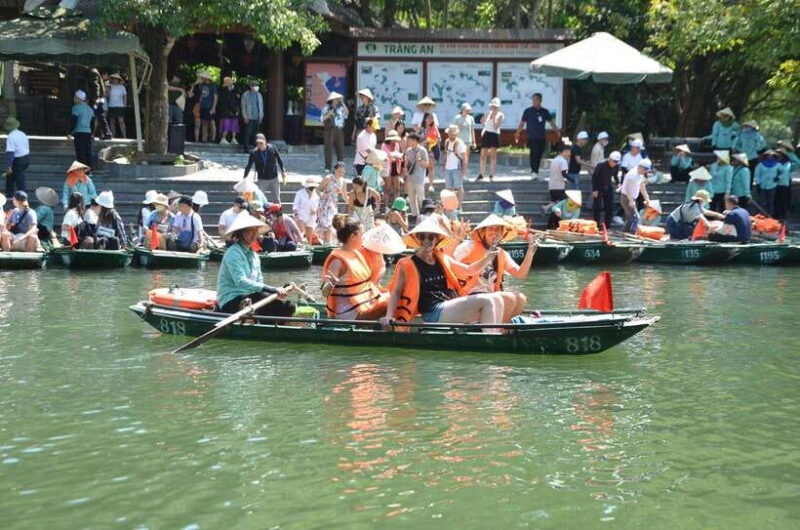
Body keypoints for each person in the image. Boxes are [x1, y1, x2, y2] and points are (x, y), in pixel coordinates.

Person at [381, 219, 508, 331]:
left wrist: (488, 258)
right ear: (417, 239)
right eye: (422, 237)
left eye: (431, 237)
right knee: (487, 300)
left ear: (437, 239)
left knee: (496, 298)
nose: (426, 241)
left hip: (448, 305)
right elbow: (396, 292)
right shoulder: (406, 264)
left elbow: (469, 270)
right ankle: (490, 339)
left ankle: (494, 334)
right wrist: (389, 316)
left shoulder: (441, 258)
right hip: (433, 313)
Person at [454, 214, 539, 321]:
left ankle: (506, 329)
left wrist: (530, 252)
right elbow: (450, 261)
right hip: (467, 295)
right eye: (490, 229)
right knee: (509, 298)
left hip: (491, 296)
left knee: (521, 298)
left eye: (497, 230)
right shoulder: (469, 246)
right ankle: (499, 329)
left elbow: (521, 273)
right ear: (483, 232)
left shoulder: (502, 253)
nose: (494, 232)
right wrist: (457, 239)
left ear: (502, 233)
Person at [216, 213, 295, 317]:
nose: (253, 234)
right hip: (231, 300)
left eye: (255, 231)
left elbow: (259, 282)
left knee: (289, 306)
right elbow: (240, 281)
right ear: (241, 233)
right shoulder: (233, 253)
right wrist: (272, 289)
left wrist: (274, 291)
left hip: (251, 297)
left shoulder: (254, 255)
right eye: (249, 231)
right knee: (266, 299)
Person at [320, 215, 390, 320]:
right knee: (395, 299)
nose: (364, 237)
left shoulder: (358, 253)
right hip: (349, 312)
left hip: (364, 303)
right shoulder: (338, 261)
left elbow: (375, 275)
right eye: (362, 234)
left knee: (395, 293)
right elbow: (324, 292)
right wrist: (330, 285)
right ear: (353, 237)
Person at [515, 93, 559, 180]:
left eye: (537, 99)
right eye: (533, 99)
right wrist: (517, 132)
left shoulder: (544, 111)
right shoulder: (528, 111)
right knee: (534, 153)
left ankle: (536, 171)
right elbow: (522, 123)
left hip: (542, 137)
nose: (535, 101)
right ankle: (533, 171)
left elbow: (551, 122)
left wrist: (556, 130)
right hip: (532, 136)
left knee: (539, 154)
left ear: (540, 100)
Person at [244, 133, 286, 204]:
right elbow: (249, 165)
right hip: (262, 179)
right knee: (258, 198)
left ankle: (277, 214)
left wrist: (282, 170)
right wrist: (245, 177)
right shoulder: (254, 152)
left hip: (274, 178)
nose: (259, 145)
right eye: (257, 143)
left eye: (261, 143)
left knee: (277, 199)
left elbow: (278, 158)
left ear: (265, 142)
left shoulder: (272, 148)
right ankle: (259, 213)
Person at [316, 163, 349, 244]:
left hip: (333, 204)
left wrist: (351, 203)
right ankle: (326, 242)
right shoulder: (328, 178)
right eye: (339, 171)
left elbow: (344, 195)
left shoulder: (343, 181)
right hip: (325, 203)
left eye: (342, 172)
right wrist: (321, 195)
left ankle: (327, 242)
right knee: (326, 223)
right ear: (335, 170)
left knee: (330, 223)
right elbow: (318, 189)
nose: (340, 173)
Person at [620, 159, 652, 233]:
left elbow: (641, 185)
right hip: (626, 198)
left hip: (632, 198)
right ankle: (630, 233)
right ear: (641, 167)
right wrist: (631, 201)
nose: (646, 172)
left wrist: (646, 198)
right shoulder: (632, 174)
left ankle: (625, 233)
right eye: (645, 170)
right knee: (635, 217)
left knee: (630, 217)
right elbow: (627, 188)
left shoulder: (640, 174)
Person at [404, 133, 429, 223]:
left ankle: (423, 215)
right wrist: (405, 174)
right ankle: (415, 215)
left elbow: (426, 164)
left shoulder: (422, 150)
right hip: (410, 177)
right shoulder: (408, 151)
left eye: (409, 140)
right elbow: (406, 164)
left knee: (421, 197)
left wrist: (419, 159)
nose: (408, 141)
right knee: (411, 198)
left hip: (419, 178)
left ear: (415, 140)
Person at [591, 150, 620, 229]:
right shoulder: (601, 165)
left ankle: (607, 226)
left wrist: (618, 183)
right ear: (609, 159)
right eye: (614, 161)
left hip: (608, 187)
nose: (615, 163)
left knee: (609, 208)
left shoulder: (616, 166)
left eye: (617, 161)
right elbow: (594, 177)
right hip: (598, 187)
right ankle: (596, 225)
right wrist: (594, 190)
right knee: (597, 207)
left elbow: (615, 175)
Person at [477, 98, 503, 182]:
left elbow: (496, 126)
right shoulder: (488, 113)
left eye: (495, 106)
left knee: (492, 155)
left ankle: (491, 174)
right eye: (492, 106)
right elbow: (481, 121)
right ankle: (481, 174)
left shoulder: (500, 115)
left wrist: (494, 117)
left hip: (494, 134)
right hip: (487, 133)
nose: (493, 108)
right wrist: (486, 118)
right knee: (483, 155)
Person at [321, 91, 348, 171]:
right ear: (332, 99)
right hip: (330, 129)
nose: (337, 100)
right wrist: (329, 114)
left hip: (339, 129)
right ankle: (327, 167)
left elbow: (347, 113)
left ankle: (340, 167)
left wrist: (342, 102)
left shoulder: (341, 108)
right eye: (336, 99)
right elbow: (322, 119)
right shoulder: (326, 108)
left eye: (338, 99)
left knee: (340, 148)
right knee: (328, 148)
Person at [4, 117, 29, 197]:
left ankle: (22, 197)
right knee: (11, 177)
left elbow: (11, 153)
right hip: (26, 158)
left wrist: (9, 166)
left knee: (19, 180)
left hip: (18, 160)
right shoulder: (22, 133)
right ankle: (9, 193)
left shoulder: (11, 137)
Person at [442, 124, 467, 205]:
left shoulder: (460, 142)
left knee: (459, 187)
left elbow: (464, 157)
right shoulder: (447, 142)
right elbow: (446, 155)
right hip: (448, 168)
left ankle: (459, 205)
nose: (451, 134)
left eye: (452, 133)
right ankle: (450, 205)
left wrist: (463, 169)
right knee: (448, 188)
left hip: (457, 168)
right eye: (450, 133)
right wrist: (443, 165)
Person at [70, 90, 94, 166]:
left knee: (80, 152)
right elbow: (92, 123)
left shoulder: (76, 108)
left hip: (79, 132)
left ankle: (82, 170)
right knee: (87, 151)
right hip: (88, 132)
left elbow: (74, 121)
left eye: (75, 97)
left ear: (78, 98)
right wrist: (92, 132)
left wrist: (70, 132)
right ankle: (89, 169)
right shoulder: (90, 109)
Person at [292, 176, 320, 241]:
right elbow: (295, 206)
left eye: (313, 187)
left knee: (309, 237)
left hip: (311, 218)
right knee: (300, 234)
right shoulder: (300, 193)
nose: (312, 188)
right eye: (310, 187)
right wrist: (296, 216)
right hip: (301, 216)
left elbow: (317, 206)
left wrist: (315, 210)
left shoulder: (316, 195)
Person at [754, 150, 781, 216]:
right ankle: (762, 216)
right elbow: (757, 175)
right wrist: (758, 183)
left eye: (771, 156)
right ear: (765, 157)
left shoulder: (777, 164)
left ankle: (770, 216)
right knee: (763, 202)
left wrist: (778, 177)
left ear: (774, 156)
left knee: (771, 202)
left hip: (772, 185)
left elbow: (784, 172)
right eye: (768, 155)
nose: (769, 157)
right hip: (762, 185)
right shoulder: (760, 165)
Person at [381, 130, 404, 206]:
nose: (395, 140)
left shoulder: (397, 145)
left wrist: (399, 157)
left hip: (396, 167)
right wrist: (393, 155)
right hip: (387, 168)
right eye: (393, 139)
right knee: (387, 188)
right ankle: (386, 206)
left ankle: (397, 206)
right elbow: (384, 156)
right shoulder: (384, 145)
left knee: (397, 189)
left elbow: (399, 155)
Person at [240, 81, 264, 152]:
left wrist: (261, 116)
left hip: (257, 116)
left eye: (257, 85)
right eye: (255, 85)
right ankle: (246, 148)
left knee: (256, 133)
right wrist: (244, 116)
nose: (257, 87)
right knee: (247, 133)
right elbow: (243, 106)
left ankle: (256, 148)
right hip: (248, 116)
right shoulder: (245, 95)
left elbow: (261, 106)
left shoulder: (259, 95)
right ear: (251, 86)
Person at [89, 68, 112, 139]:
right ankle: (107, 133)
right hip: (99, 98)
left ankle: (92, 134)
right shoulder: (95, 72)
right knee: (100, 115)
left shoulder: (93, 72)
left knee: (95, 116)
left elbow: (96, 85)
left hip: (97, 99)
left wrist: (96, 97)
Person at [453, 103, 477, 173]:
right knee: (458, 156)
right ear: (462, 110)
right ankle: (457, 171)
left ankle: (464, 172)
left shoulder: (471, 118)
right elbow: (452, 128)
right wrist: (459, 127)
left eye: (469, 110)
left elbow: (472, 130)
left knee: (466, 157)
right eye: (466, 110)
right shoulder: (457, 118)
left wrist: (474, 142)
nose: (468, 111)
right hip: (459, 140)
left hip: (468, 141)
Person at [195, 71, 218, 143]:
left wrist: (213, 107)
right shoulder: (201, 85)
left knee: (212, 122)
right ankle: (204, 139)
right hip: (203, 106)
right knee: (204, 122)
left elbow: (215, 96)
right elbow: (200, 95)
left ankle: (213, 138)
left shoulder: (213, 85)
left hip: (210, 106)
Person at [217, 77, 240, 145]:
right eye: (230, 84)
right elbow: (223, 103)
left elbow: (237, 101)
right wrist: (227, 111)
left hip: (234, 110)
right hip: (225, 111)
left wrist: (237, 110)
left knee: (234, 125)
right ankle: (223, 138)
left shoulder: (234, 91)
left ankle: (233, 138)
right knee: (226, 125)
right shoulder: (223, 92)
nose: (231, 85)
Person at [107, 73, 127, 138]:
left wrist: (124, 104)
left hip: (120, 106)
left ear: (118, 80)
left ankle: (124, 136)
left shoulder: (122, 87)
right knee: (112, 122)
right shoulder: (109, 86)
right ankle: (112, 136)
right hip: (111, 105)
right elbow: (106, 95)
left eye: (116, 79)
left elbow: (125, 96)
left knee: (121, 121)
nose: (115, 80)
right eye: (113, 79)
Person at [773, 149, 792, 221]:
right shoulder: (776, 163)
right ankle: (776, 214)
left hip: (784, 183)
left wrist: (778, 177)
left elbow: (785, 171)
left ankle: (783, 215)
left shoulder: (787, 163)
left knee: (783, 199)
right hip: (776, 184)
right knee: (776, 199)